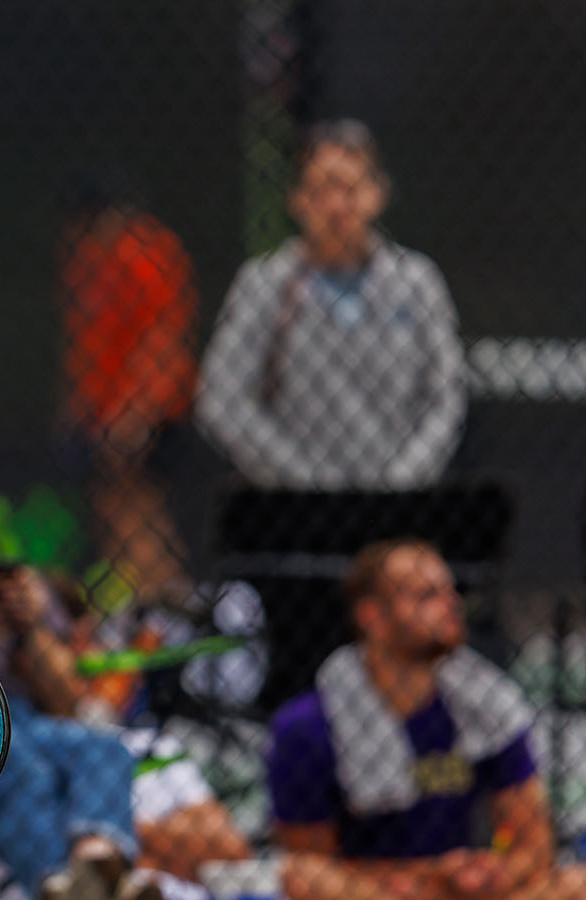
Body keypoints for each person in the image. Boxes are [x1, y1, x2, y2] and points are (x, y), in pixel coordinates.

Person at [0, 465, 249, 899]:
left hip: (17, 713)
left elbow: (67, 701)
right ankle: (53, 883)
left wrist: (32, 627)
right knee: (21, 762)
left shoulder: (1, 579)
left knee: (101, 748)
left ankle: (98, 866)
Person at [268, 538, 586, 900]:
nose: (451, 605)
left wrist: (490, 872)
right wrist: (432, 876)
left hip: (461, 892)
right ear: (371, 616)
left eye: (450, 592)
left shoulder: (486, 706)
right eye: (426, 596)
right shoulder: (307, 726)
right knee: (302, 876)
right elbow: (310, 867)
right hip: (379, 894)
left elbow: (536, 846)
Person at [195, 118, 466, 490]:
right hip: (295, 511)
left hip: (395, 506)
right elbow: (221, 399)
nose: (338, 205)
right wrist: (298, 480)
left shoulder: (417, 282)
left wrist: (401, 482)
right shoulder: (264, 284)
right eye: (322, 189)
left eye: (351, 189)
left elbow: (446, 397)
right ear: (297, 199)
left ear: (378, 194)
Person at [58, 175, 197, 601]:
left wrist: (136, 414)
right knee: (111, 509)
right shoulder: (90, 260)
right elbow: (89, 345)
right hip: (108, 412)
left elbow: (162, 339)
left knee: (137, 510)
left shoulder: (145, 251)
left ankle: (167, 602)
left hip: (147, 410)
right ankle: (141, 602)